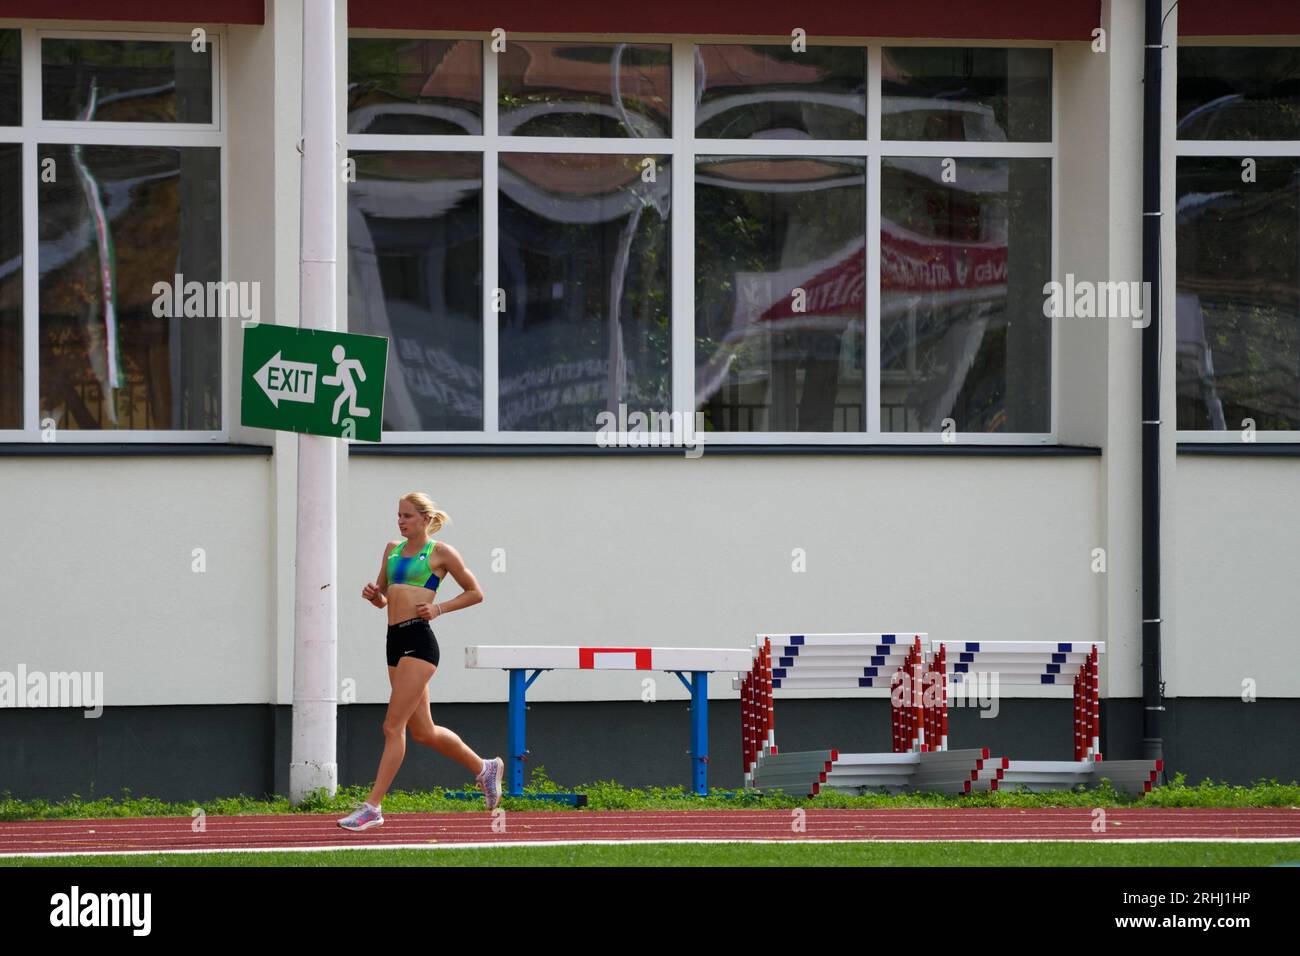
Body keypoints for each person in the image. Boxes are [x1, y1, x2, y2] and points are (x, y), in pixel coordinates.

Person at [338, 492, 503, 831]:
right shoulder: (392, 549)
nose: (401, 521)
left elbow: (475, 592)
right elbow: (383, 599)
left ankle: (373, 807)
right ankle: (484, 768)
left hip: (419, 642)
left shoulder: (440, 553)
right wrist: (374, 596)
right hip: (394, 640)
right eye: (399, 515)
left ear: (426, 520)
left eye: (408, 516)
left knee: (391, 726)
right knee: (424, 732)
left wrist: (439, 608)